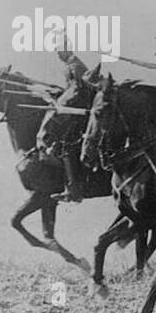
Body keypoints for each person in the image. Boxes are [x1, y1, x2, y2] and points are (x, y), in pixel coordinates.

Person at [55, 46, 91, 202]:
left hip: (84, 112)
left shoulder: (76, 66)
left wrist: (62, 100)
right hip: (75, 110)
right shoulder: (69, 66)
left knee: (68, 145)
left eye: (59, 51)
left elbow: (81, 90)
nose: (57, 54)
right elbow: (70, 90)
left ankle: (74, 188)